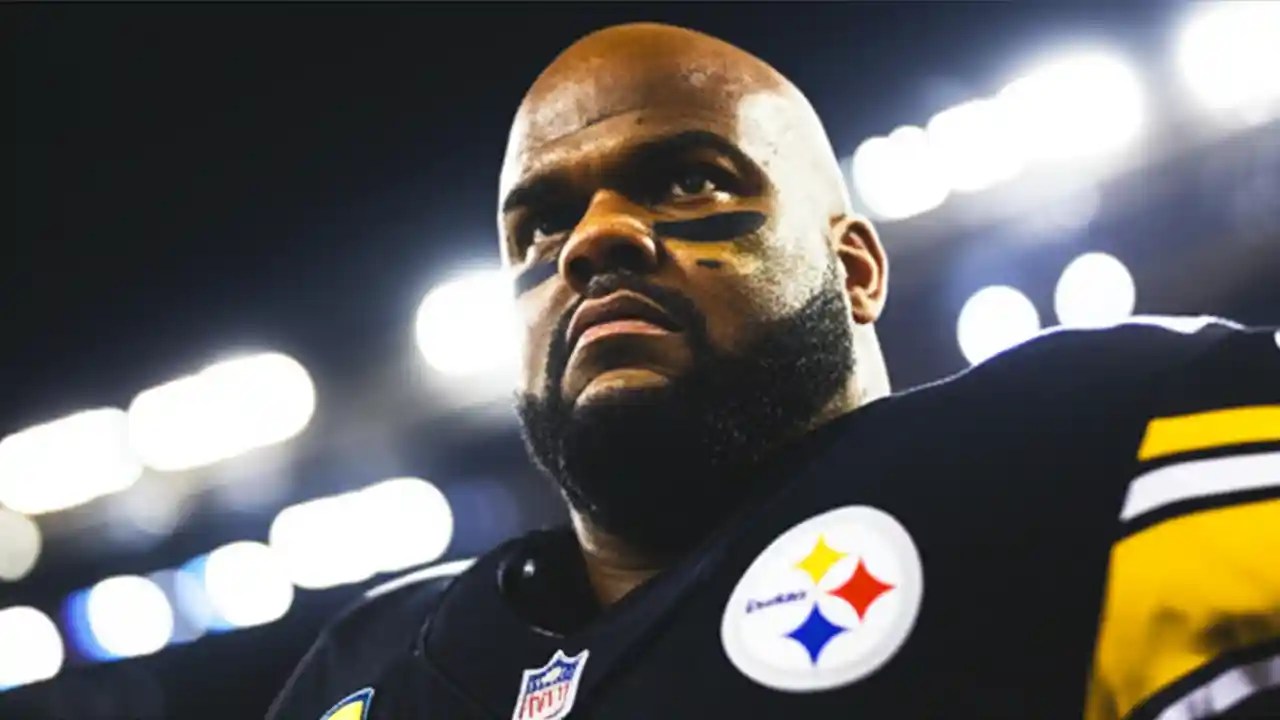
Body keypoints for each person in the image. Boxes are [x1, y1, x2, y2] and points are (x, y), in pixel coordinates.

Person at [268, 23, 1280, 720]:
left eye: (688, 179)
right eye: (540, 223)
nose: (595, 240)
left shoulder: (1090, 445)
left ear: (854, 267)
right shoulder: (365, 668)